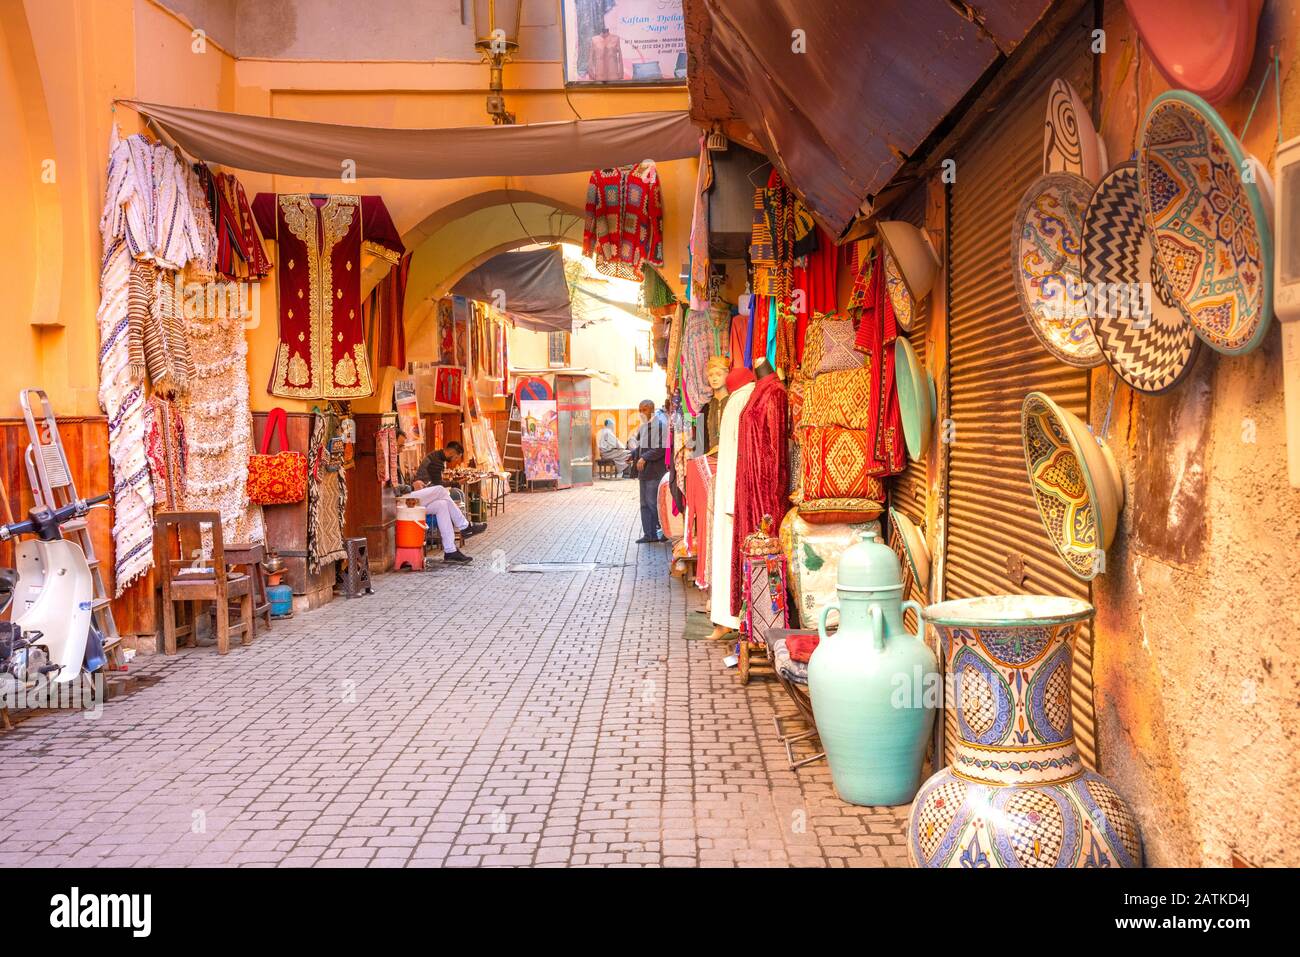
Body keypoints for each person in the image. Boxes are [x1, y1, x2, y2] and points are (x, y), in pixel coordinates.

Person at [405, 485, 485, 564]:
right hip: (401, 499)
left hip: (405, 496)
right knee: (440, 490)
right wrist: (410, 487)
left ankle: (450, 551)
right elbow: (396, 488)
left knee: (442, 505)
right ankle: (464, 526)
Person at [632, 398, 669, 544]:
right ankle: (649, 534)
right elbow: (642, 447)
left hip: (654, 472)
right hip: (644, 473)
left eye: (644, 410)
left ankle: (664, 531)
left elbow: (661, 448)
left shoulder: (660, 426)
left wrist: (644, 457)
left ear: (652, 410)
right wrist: (634, 454)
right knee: (644, 504)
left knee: (653, 503)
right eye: (640, 410)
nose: (641, 413)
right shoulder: (643, 427)